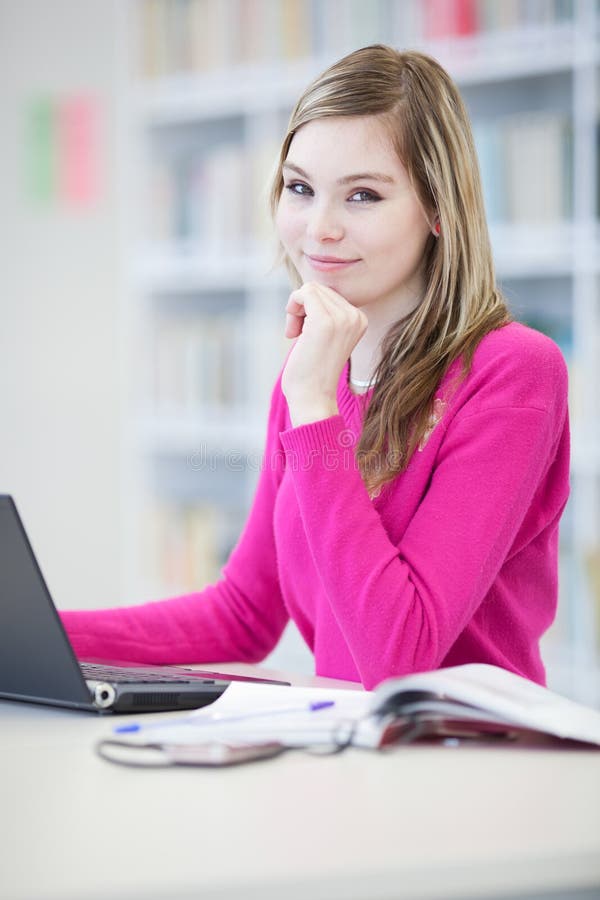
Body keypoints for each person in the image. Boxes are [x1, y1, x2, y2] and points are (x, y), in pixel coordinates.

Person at [61, 45, 570, 690]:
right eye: (300, 188)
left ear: (439, 211)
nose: (318, 228)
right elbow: (244, 613)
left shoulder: (513, 372)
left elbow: (396, 657)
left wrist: (313, 411)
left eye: (362, 195)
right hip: (350, 761)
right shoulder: (311, 378)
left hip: (465, 760)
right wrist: (39, 634)